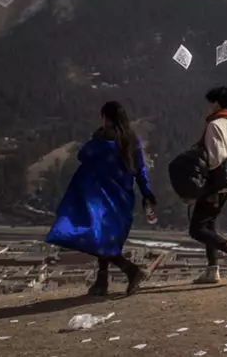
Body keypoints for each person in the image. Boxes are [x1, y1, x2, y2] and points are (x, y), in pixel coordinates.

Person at [46, 101, 156, 297]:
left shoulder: (101, 142)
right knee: (105, 238)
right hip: (122, 198)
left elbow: (83, 154)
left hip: (101, 199)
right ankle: (102, 281)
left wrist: (97, 135)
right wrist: (147, 193)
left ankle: (131, 271)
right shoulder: (131, 140)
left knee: (98, 238)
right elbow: (140, 170)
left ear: (106, 118)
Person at [189, 85, 227, 284]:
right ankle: (212, 269)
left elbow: (216, 157)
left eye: (210, 104)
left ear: (215, 103)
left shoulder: (214, 125)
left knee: (197, 229)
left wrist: (203, 178)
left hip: (215, 182)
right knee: (209, 225)